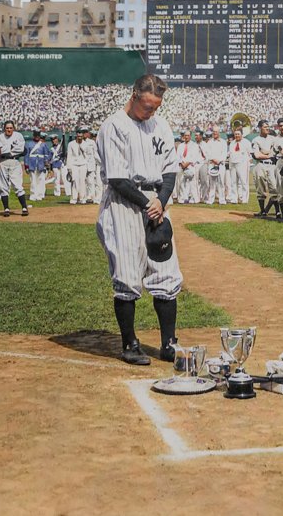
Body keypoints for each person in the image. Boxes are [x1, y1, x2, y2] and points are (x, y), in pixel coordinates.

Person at [96, 74, 183, 366]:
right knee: (127, 275)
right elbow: (118, 179)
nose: (152, 112)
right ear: (134, 95)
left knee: (166, 273)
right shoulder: (114, 126)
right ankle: (130, 343)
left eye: (156, 107)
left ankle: (169, 343)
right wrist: (150, 204)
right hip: (125, 205)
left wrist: (161, 201)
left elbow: (170, 169)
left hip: (156, 202)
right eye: (148, 106)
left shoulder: (161, 124)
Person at [0, 121, 30, 217]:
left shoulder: (18, 136)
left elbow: (21, 149)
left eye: (11, 128)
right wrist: (9, 151)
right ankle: (6, 208)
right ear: (4, 128)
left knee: (17, 185)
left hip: (14, 161)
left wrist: (9, 152)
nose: (9, 130)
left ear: (13, 128)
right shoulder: (0, 137)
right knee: (3, 187)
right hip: (2, 162)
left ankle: (24, 207)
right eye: (7, 128)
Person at [250, 120, 277, 217]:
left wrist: (264, 153)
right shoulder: (256, 140)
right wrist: (268, 155)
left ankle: (277, 212)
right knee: (260, 188)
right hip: (260, 164)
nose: (267, 128)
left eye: (268, 126)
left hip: (271, 165)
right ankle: (263, 211)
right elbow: (257, 155)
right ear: (260, 128)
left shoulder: (273, 139)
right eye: (265, 127)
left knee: (274, 187)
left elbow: (275, 152)